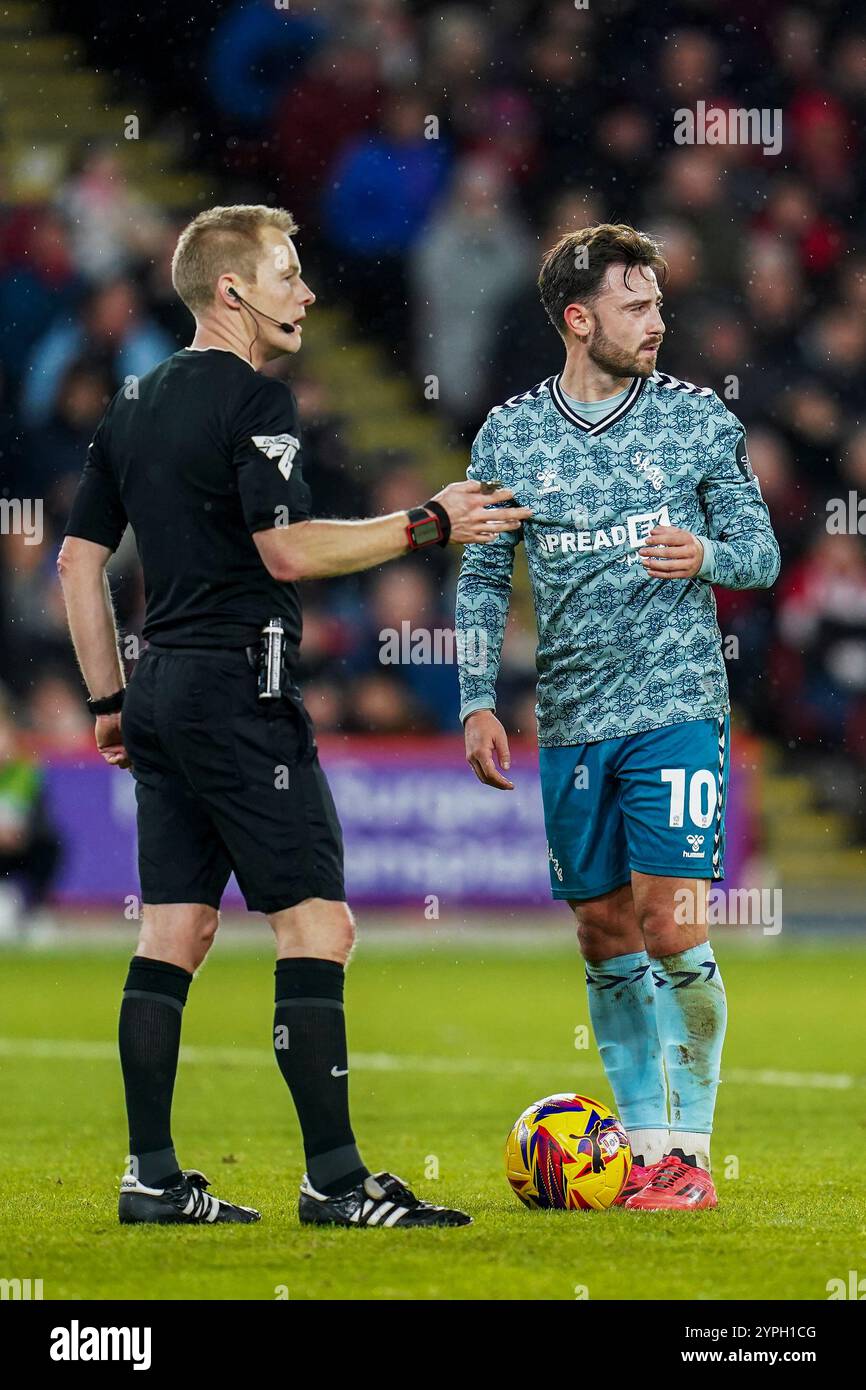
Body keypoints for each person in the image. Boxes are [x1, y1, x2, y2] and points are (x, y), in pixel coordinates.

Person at [58, 203, 531, 1229]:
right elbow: (287, 550)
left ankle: (151, 1175)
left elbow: (76, 562)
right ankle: (335, 1178)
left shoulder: (132, 404)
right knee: (319, 924)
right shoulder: (256, 397)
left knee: (174, 931)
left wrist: (108, 698)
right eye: (286, 273)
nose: (305, 291)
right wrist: (427, 522)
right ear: (232, 291)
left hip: (163, 689)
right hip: (239, 689)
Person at [456, 223, 780, 1212]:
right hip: (571, 719)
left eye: (657, 303)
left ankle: (689, 1149)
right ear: (576, 316)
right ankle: (640, 1149)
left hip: (677, 706)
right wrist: (475, 697)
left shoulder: (695, 420)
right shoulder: (509, 434)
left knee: (672, 919)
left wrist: (707, 558)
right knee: (603, 932)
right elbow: (478, 574)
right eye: (635, 305)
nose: (656, 321)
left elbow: (760, 553)